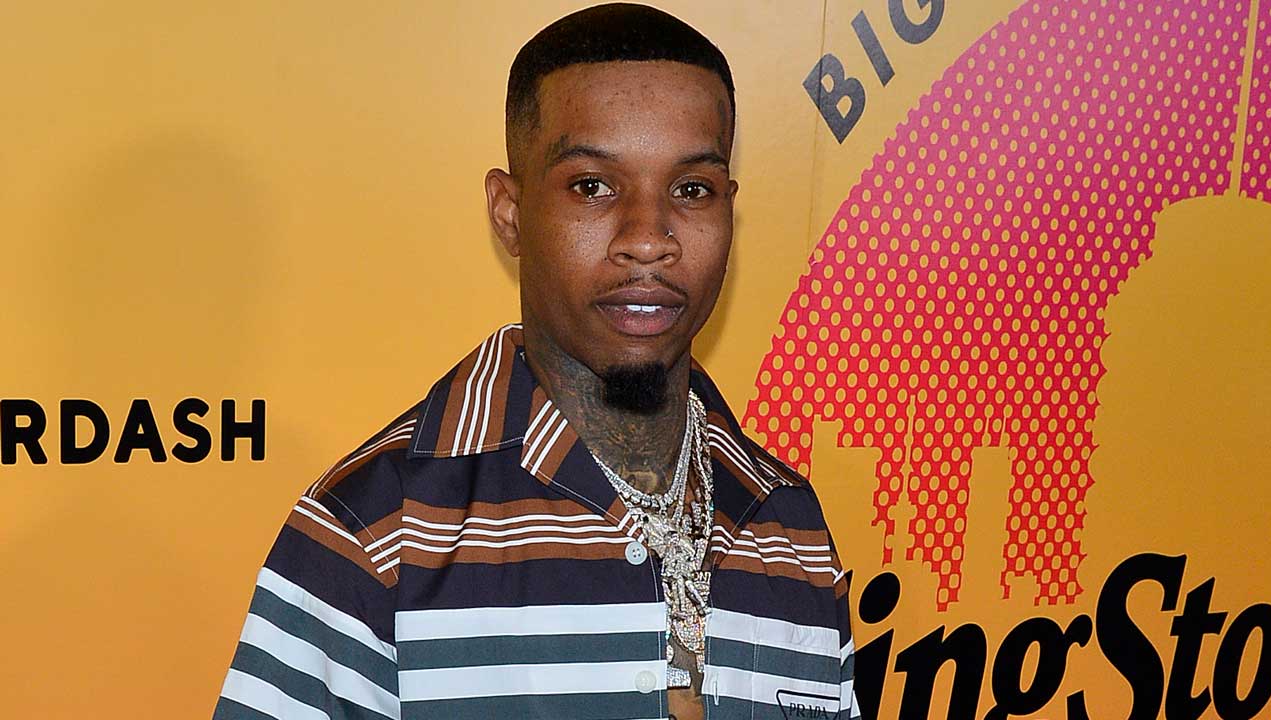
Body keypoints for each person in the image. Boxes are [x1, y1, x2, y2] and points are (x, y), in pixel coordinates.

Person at [213, 4, 860, 719]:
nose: (648, 238)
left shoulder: (791, 525)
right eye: (593, 186)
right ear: (510, 213)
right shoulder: (377, 530)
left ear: (729, 211)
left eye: (691, 189)